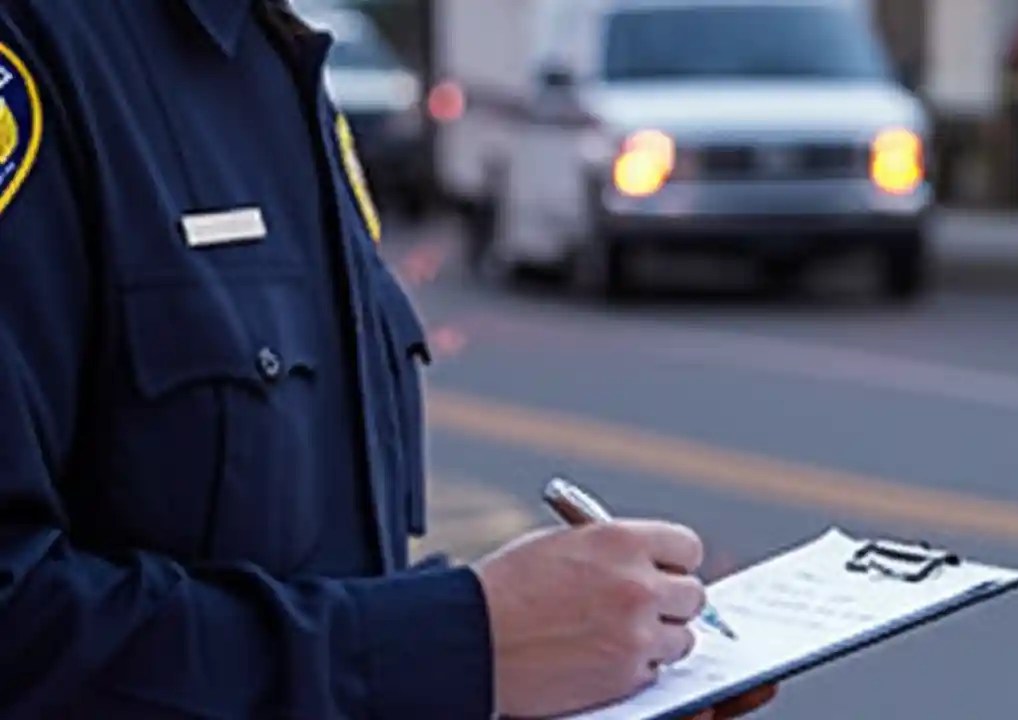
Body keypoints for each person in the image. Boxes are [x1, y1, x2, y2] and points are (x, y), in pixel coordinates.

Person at [0, 1, 774, 717]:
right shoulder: (42, 53)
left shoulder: (270, 59)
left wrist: (567, 645)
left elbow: (310, 574)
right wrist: (459, 646)